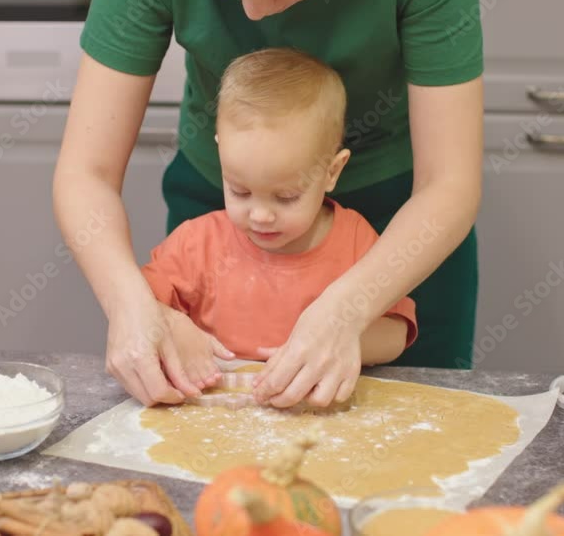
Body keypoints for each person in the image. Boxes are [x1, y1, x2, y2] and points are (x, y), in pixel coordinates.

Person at [52, 0, 484, 409]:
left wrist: (350, 310)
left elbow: (448, 183)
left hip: (402, 216)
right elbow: (88, 172)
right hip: (213, 203)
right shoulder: (204, 243)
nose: (255, 13)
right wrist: (132, 305)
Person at [140, 48, 418, 395]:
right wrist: (170, 324)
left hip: (319, 423)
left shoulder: (355, 241)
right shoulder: (196, 243)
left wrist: (323, 343)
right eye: (239, 191)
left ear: (332, 171)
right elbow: (137, 307)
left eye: (286, 197)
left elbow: (395, 333)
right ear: (220, 152)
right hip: (216, 419)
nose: (259, 215)